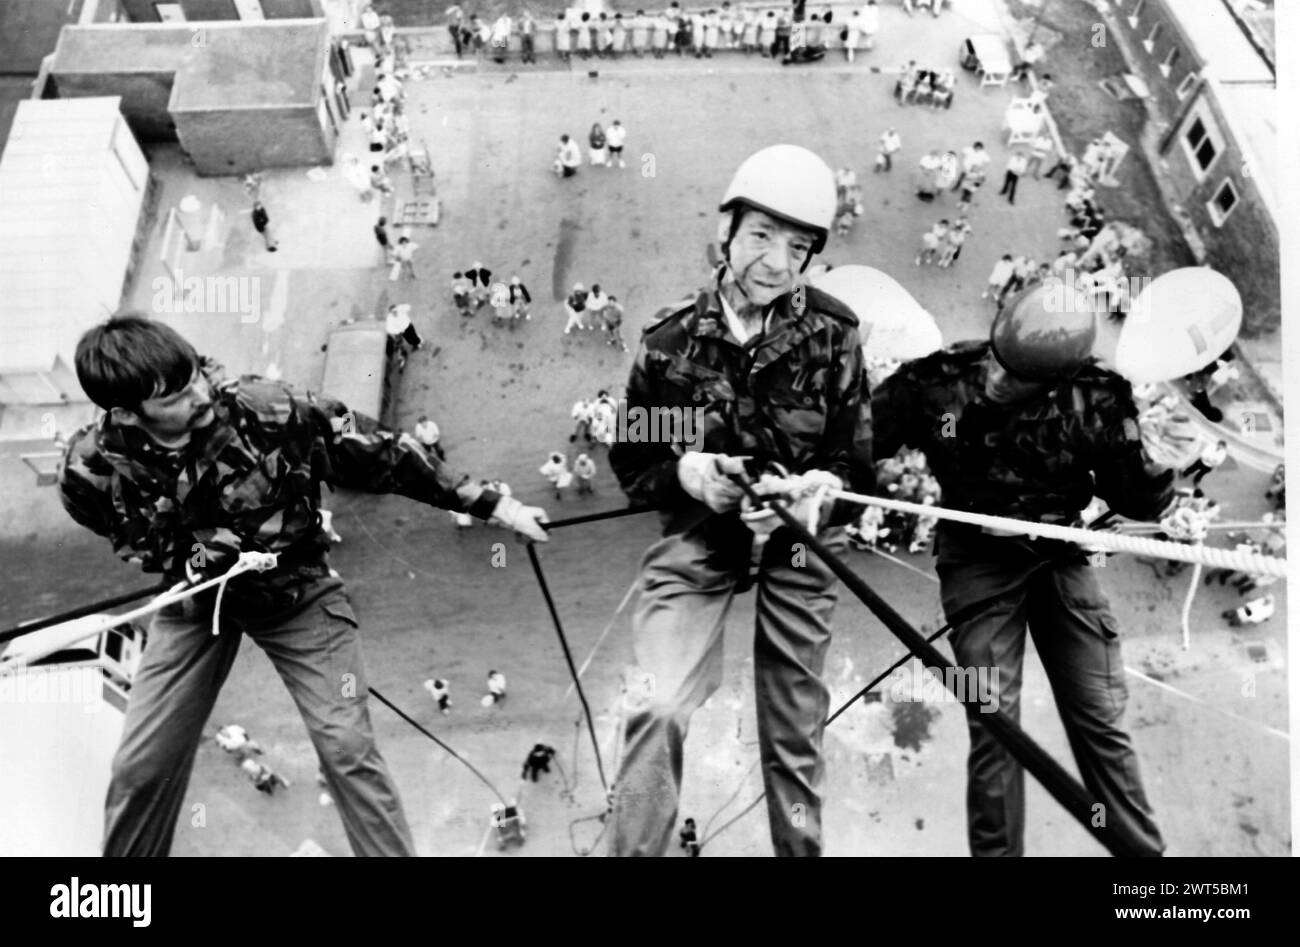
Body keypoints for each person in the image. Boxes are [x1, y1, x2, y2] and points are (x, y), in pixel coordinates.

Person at [57, 316, 549, 856]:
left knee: (346, 749)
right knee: (139, 766)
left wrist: (494, 504)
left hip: (297, 596)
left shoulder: (268, 411)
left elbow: (386, 453)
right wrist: (201, 551)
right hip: (197, 604)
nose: (200, 395)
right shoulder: (92, 472)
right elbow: (135, 543)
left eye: (196, 373)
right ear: (127, 413)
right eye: (176, 394)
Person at [606, 145, 874, 857]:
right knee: (656, 705)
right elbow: (634, 459)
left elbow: (856, 459)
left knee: (793, 729)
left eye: (799, 247)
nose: (778, 263)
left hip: (799, 542)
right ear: (726, 232)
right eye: (761, 236)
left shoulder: (834, 335)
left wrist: (827, 491)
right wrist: (690, 473)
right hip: (699, 538)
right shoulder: (666, 345)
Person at [870, 284, 1172, 857]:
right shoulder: (936, 380)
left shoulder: (1099, 395)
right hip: (977, 559)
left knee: (1100, 718)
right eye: (999, 363)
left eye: (1020, 378)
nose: (998, 382)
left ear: (1059, 378)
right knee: (995, 727)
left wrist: (1168, 469)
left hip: (1058, 556)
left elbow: (1135, 497)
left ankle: (1152, 873)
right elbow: (856, 444)